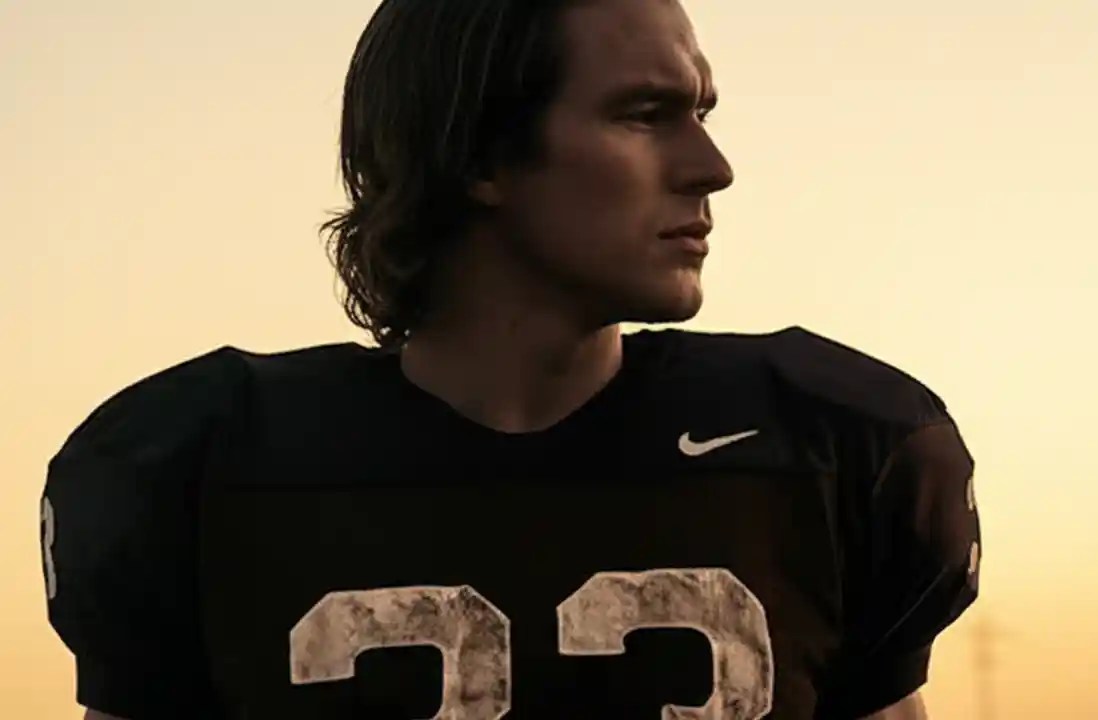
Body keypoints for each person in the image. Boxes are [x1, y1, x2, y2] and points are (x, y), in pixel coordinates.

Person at [41, 0, 981, 717]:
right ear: (478, 151)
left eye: (700, 109)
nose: (711, 165)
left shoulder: (834, 450)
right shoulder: (200, 472)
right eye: (647, 113)